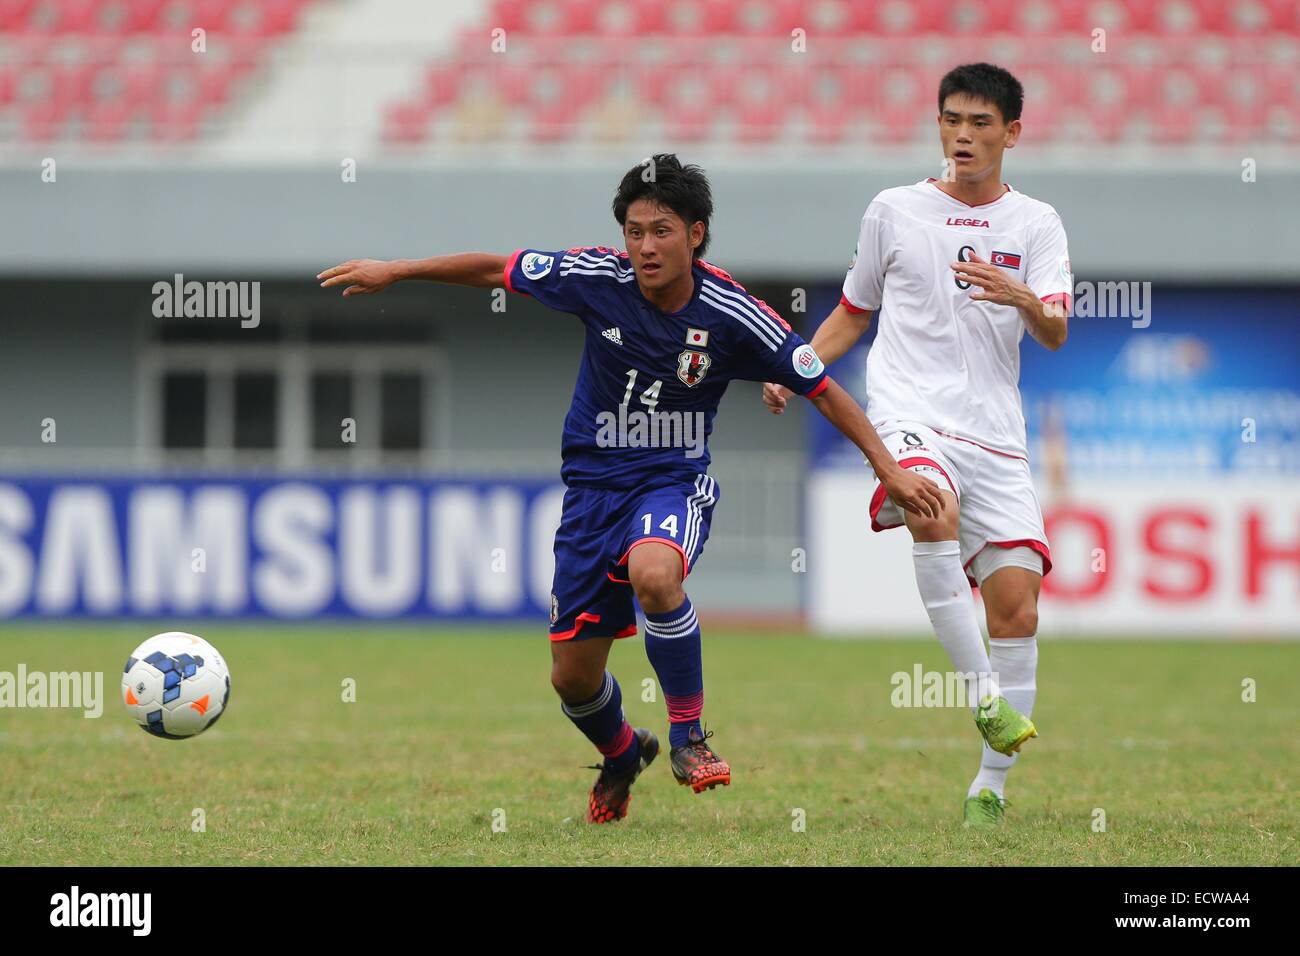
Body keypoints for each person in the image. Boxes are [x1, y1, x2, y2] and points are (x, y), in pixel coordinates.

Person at [320, 154, 944, 823]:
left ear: (696, 234)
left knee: (655, 575)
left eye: (662, 230)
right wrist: (397, 271)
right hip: (591, 493)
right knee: (573, 679)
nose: (646, 246)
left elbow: (821, 387)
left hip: (672, 481)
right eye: (635, 230)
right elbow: (494, 268)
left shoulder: (735, 314)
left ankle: (689, 737)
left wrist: (888, 467)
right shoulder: (596, 277)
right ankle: (622, 753)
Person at [764, 64, 1073, 827]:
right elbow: (852, 310)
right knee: (928, 506)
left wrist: (1024, 298)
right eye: (951, 121)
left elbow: (1057, 330)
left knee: (1018, 613)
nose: (962, 136)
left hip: (996, 435)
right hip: (910, 412)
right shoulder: (893, 211)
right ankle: (983, 701)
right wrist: (798, 365)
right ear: (938, 125)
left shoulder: (1037, 223)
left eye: (979, 124)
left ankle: (990, 788)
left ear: (1011, 133)